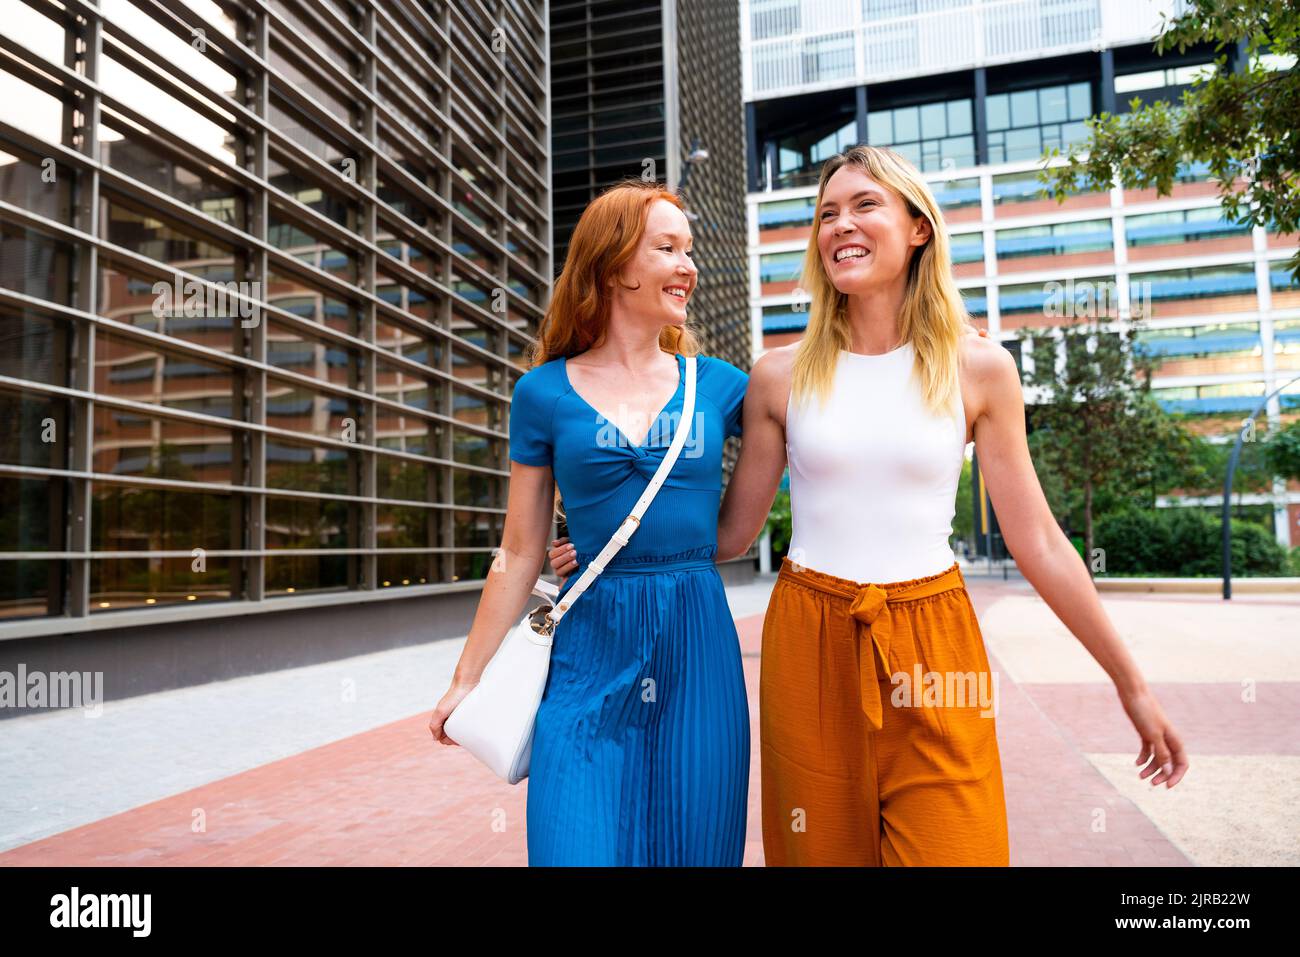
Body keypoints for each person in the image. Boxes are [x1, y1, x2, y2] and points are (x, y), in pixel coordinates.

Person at [549, 145, 1189, 866]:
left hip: (935, 640)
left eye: (863, 205)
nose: (839, 225)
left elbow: (1038, 537)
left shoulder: (979, 368)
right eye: (826, 214)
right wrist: (612, 542)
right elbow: (728, 533)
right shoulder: (779, 377)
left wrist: (1129, 683)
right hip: (807, 641)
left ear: (918, 227)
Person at [428, 179, 751, 866]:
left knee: (693, 848)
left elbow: (761, 503)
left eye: (689, 249)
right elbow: (518, 554)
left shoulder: (720, 386)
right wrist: (466, 676)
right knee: (572, 840)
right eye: (667, 248)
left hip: (697, 650)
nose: (687, 265)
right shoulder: (541, 393)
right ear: (613, 267)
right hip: (587, 652)